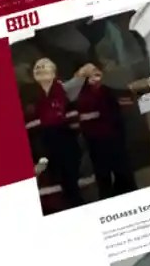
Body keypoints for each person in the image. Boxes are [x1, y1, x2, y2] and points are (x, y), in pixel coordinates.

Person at [27, 58, 92, 208]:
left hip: (63, 136)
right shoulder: (30, 95)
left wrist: (84, 70)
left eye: (45, 67)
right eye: (39, 67)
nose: (42, 69)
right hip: (44, 139)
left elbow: (78, 79)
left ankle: (75, 201)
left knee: (70, 177)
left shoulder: (63, 89)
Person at [75, 64, 140, 198]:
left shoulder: (107, 91)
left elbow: (122, 103)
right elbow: (83, 118)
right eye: (91, 73)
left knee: (124, 175)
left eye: (96, 71)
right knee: (104, 178)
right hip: (97, 142)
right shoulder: (81, 96)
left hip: (115, 138)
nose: (95, 75)